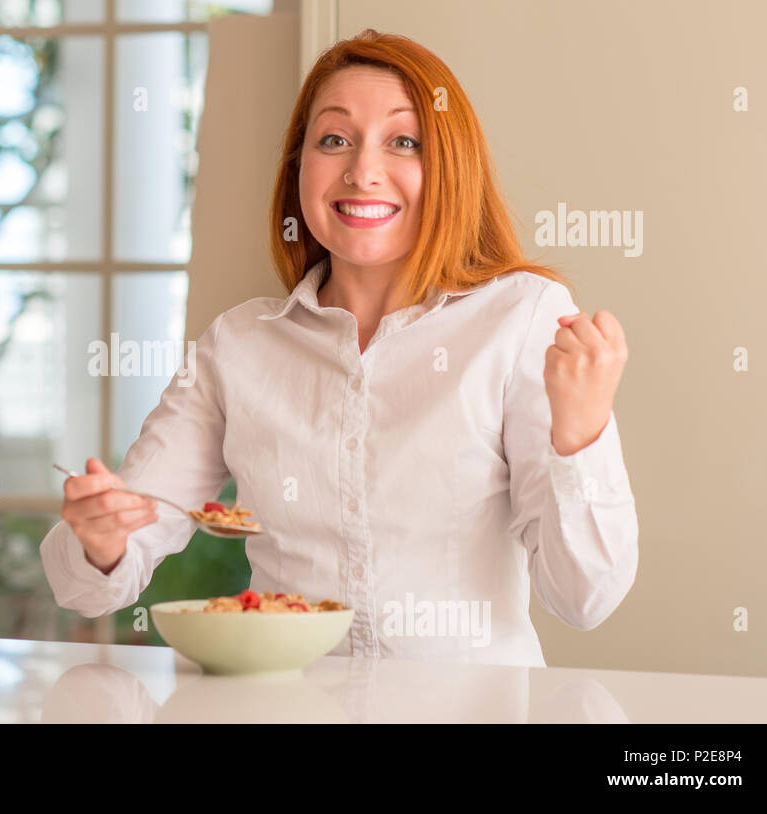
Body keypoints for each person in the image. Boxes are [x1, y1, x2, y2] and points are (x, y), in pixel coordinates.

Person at [39, 29, 636, 667]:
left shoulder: (523, 316)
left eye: (403, 141)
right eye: (334, 140)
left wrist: (581, 435)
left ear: (451, 167)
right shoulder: (239, 346)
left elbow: (586, 597)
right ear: (300, 166)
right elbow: (91, 583)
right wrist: (101, 538)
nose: (362, 170)